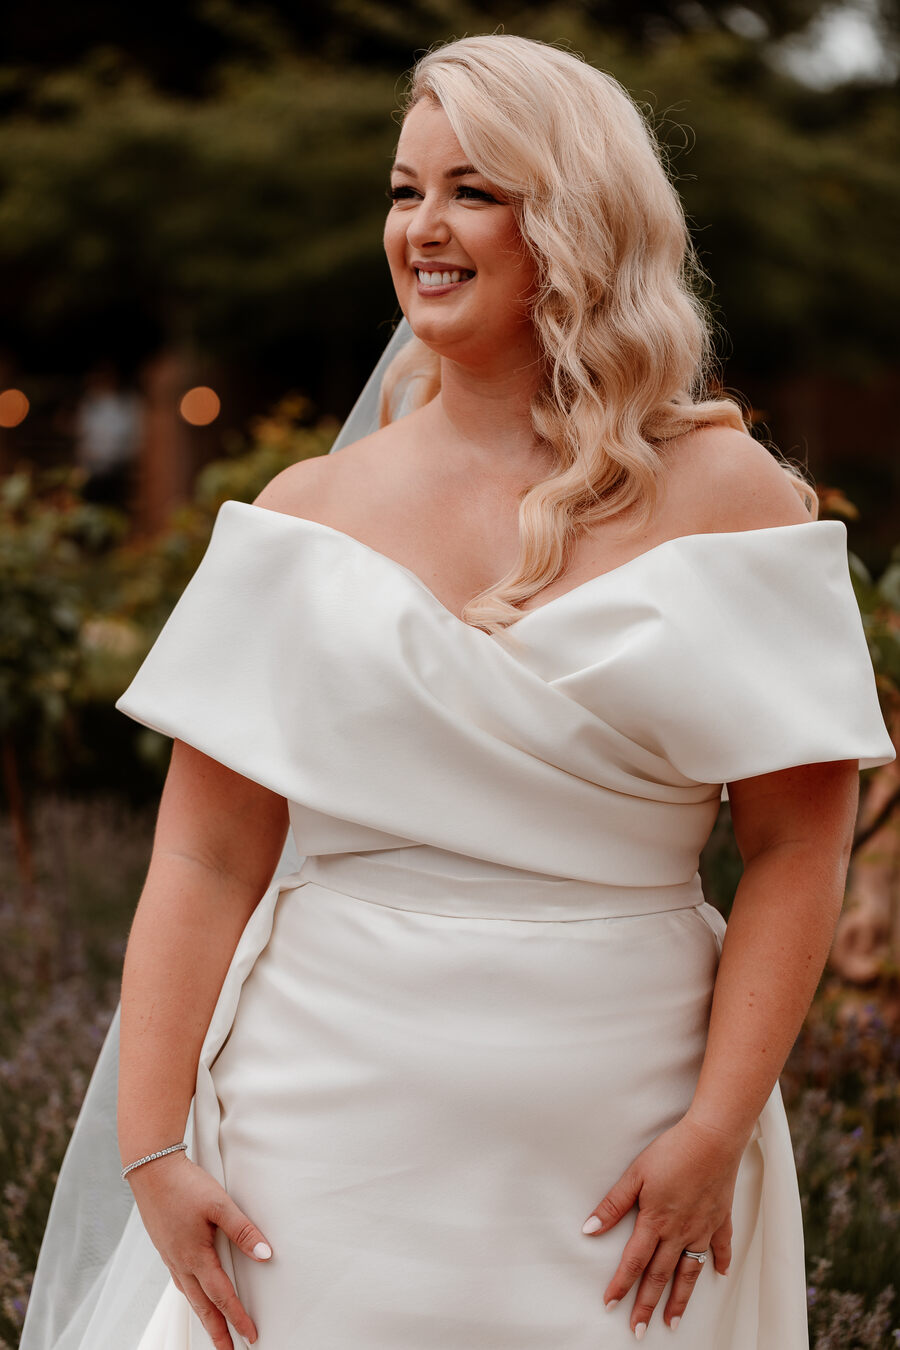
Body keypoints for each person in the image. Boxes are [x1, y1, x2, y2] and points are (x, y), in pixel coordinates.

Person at [20, 33, 896, 1350]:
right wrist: (154, 1145)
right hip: (316, 1140)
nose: (421, 228)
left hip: (633, 1147)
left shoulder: (739, 503)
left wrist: (716, 1126)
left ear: (578, 219)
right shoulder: (307, 514)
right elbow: (203, 855)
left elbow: (793, 843)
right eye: (402, 188)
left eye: (473, 190)